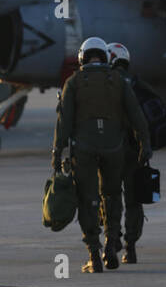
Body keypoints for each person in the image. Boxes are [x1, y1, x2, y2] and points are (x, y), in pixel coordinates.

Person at [52, 37, 151, 273]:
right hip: (114, 147)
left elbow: (63, 123)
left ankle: (94, 255)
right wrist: (144, 143)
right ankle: (111, 244)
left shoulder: (74, 82)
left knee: (88, 198)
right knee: (113, 195)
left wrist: (57, 152)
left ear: (82, 58)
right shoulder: (118, 80)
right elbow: (137, 115)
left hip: (84, 148)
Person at [106, 42, 155, 264]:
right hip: (135, 151)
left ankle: (112, 238)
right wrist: (146, 146)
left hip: (111, 150)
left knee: (110, 195)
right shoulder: (138, 84)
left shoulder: (105, 83)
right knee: (134, 200)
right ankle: (131, 247)